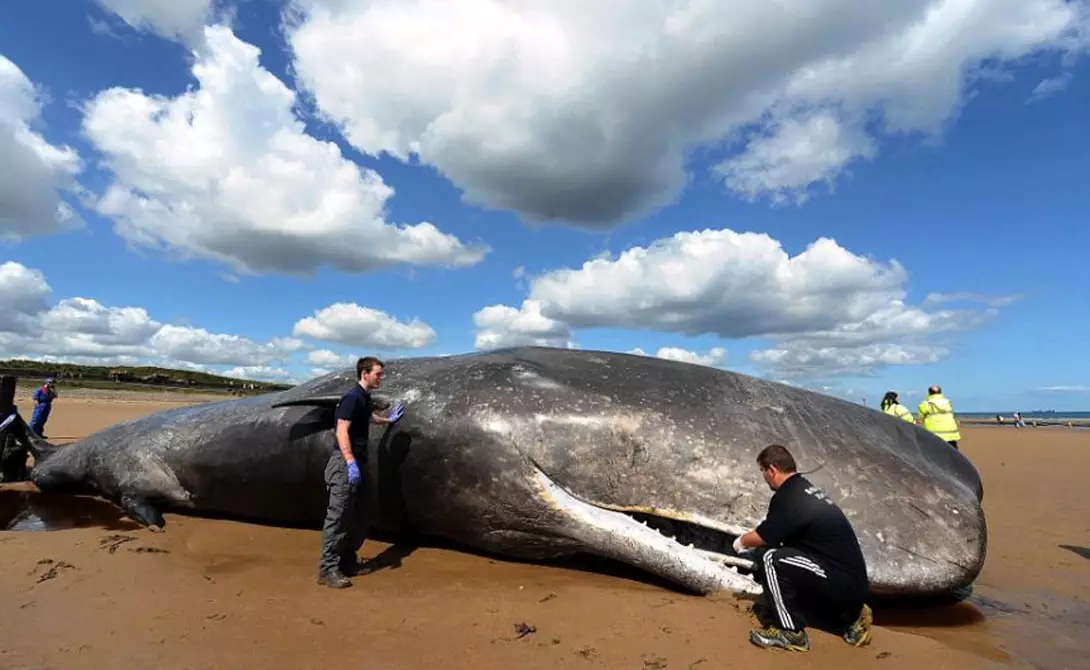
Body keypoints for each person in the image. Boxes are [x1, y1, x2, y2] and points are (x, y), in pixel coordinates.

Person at [732, 444, 873, 652]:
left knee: (771, 559)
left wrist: (740, 542)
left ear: (772, 470)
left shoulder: (788, 497)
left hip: (839, 582)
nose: (763, 477)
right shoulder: (804, 489)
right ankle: (853, 614)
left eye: (762, 472)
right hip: (852, 583)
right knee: (782, 553)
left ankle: (791, 633)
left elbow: (764, 536)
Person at [317, 356, 405, 589]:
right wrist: (349, 461)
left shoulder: (364, 399)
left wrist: (387, 420)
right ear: (364, 373)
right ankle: (328, 568)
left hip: (359, 462)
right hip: (345, 462)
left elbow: (366, 417)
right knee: (339, 515)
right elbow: (341, 430)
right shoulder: (351, 397)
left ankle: (347, 560)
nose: (381, 378)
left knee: (362, 513)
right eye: (378, 373)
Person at [917, 384, 961, 449]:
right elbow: (952, 415)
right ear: (941, 392)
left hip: (934, 434)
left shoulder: (925, 404)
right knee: (953, 454)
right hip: (951, 434)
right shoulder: (947, 402)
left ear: (929, 393)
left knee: (934, 454)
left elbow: (921, 419)